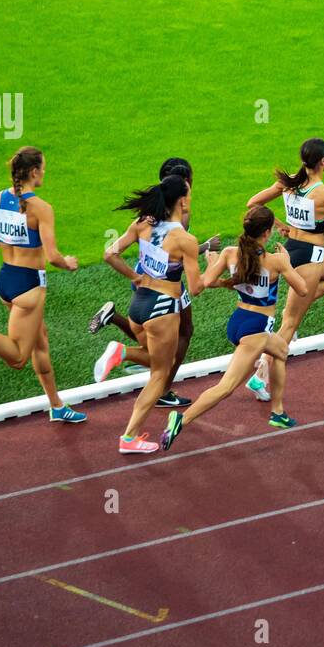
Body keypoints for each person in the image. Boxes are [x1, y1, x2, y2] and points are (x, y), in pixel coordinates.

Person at [0, 146, 86, 423]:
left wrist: (7, 240)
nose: (45, 171)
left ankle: (56, 406)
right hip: (29, 286)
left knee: (40, 342)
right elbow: (53, 256)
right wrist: (67, 263)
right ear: (34, 172)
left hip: (6, 280)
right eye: (43, 167)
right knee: (19, 358)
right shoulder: (41, 208)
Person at [160, 206, 309, 449]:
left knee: (281, 350)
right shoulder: (275, 261)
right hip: (256, 329)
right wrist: (288, 263)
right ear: (268, 232)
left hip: (239, 321)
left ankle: (278, 412)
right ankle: (181, 419)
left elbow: (206, 283)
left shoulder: (230, 254)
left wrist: (212, 263)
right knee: (226, 387)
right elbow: (302, 289)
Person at [88, 157, 219, 406]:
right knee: (176, 338)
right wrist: (206, 251)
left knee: (151, 334)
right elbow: (178, 252)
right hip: (168, 284)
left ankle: (114, 319)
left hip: (144, 275)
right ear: (187, 184)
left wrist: (135, 276)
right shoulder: (182, 213)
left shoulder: (150, 212)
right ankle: (162, 389)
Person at [243, 138, 324, 401]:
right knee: (291, 323)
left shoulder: (290, 182)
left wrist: (280, 224)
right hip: (309, 259)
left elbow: (253, 204)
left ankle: (292, 307)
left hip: (292, 250)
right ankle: (260, 375)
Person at [107, 176, 207, 454]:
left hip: (138, 305)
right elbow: (196, 287)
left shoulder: (143, 223)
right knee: (160, 375)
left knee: (154, 360)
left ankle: (123, 352)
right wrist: (215, 267)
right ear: (183, 201)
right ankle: (129, 437)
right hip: (162, 309)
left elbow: (109, 254)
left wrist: (135, 276)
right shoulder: (185, 240)